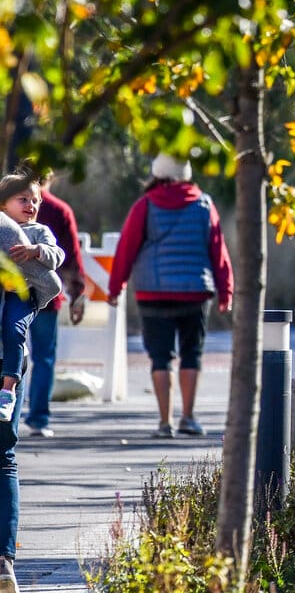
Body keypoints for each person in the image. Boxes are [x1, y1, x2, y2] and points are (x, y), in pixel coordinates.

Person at [107, 156, 233, 438]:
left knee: (160, 358)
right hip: (195, 292)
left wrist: (116, 287)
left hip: (153, 292)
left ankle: (165, 423)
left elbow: (126, 247)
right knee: (192, 355)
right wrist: (226, 290)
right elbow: (218, 251)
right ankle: (188, 417)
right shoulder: (204, 204)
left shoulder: (145, 205)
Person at [0, 172, 65, 593]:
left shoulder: (34, 232)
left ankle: (5, 563)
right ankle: (4, 565)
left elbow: (56, 259)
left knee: (16, 330)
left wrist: (37, 251)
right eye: (23, 200)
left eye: (35, 200)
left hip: (17, 309)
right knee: (4, 458)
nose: (32, 206)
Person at [23, 176, 84, 437]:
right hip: (46, 299)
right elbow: (71, 256)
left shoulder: (9, 206)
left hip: (13, 293)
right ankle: (38, 418)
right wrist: (77, 294)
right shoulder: (59, 209)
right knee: (44, 357)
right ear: (50, 177)